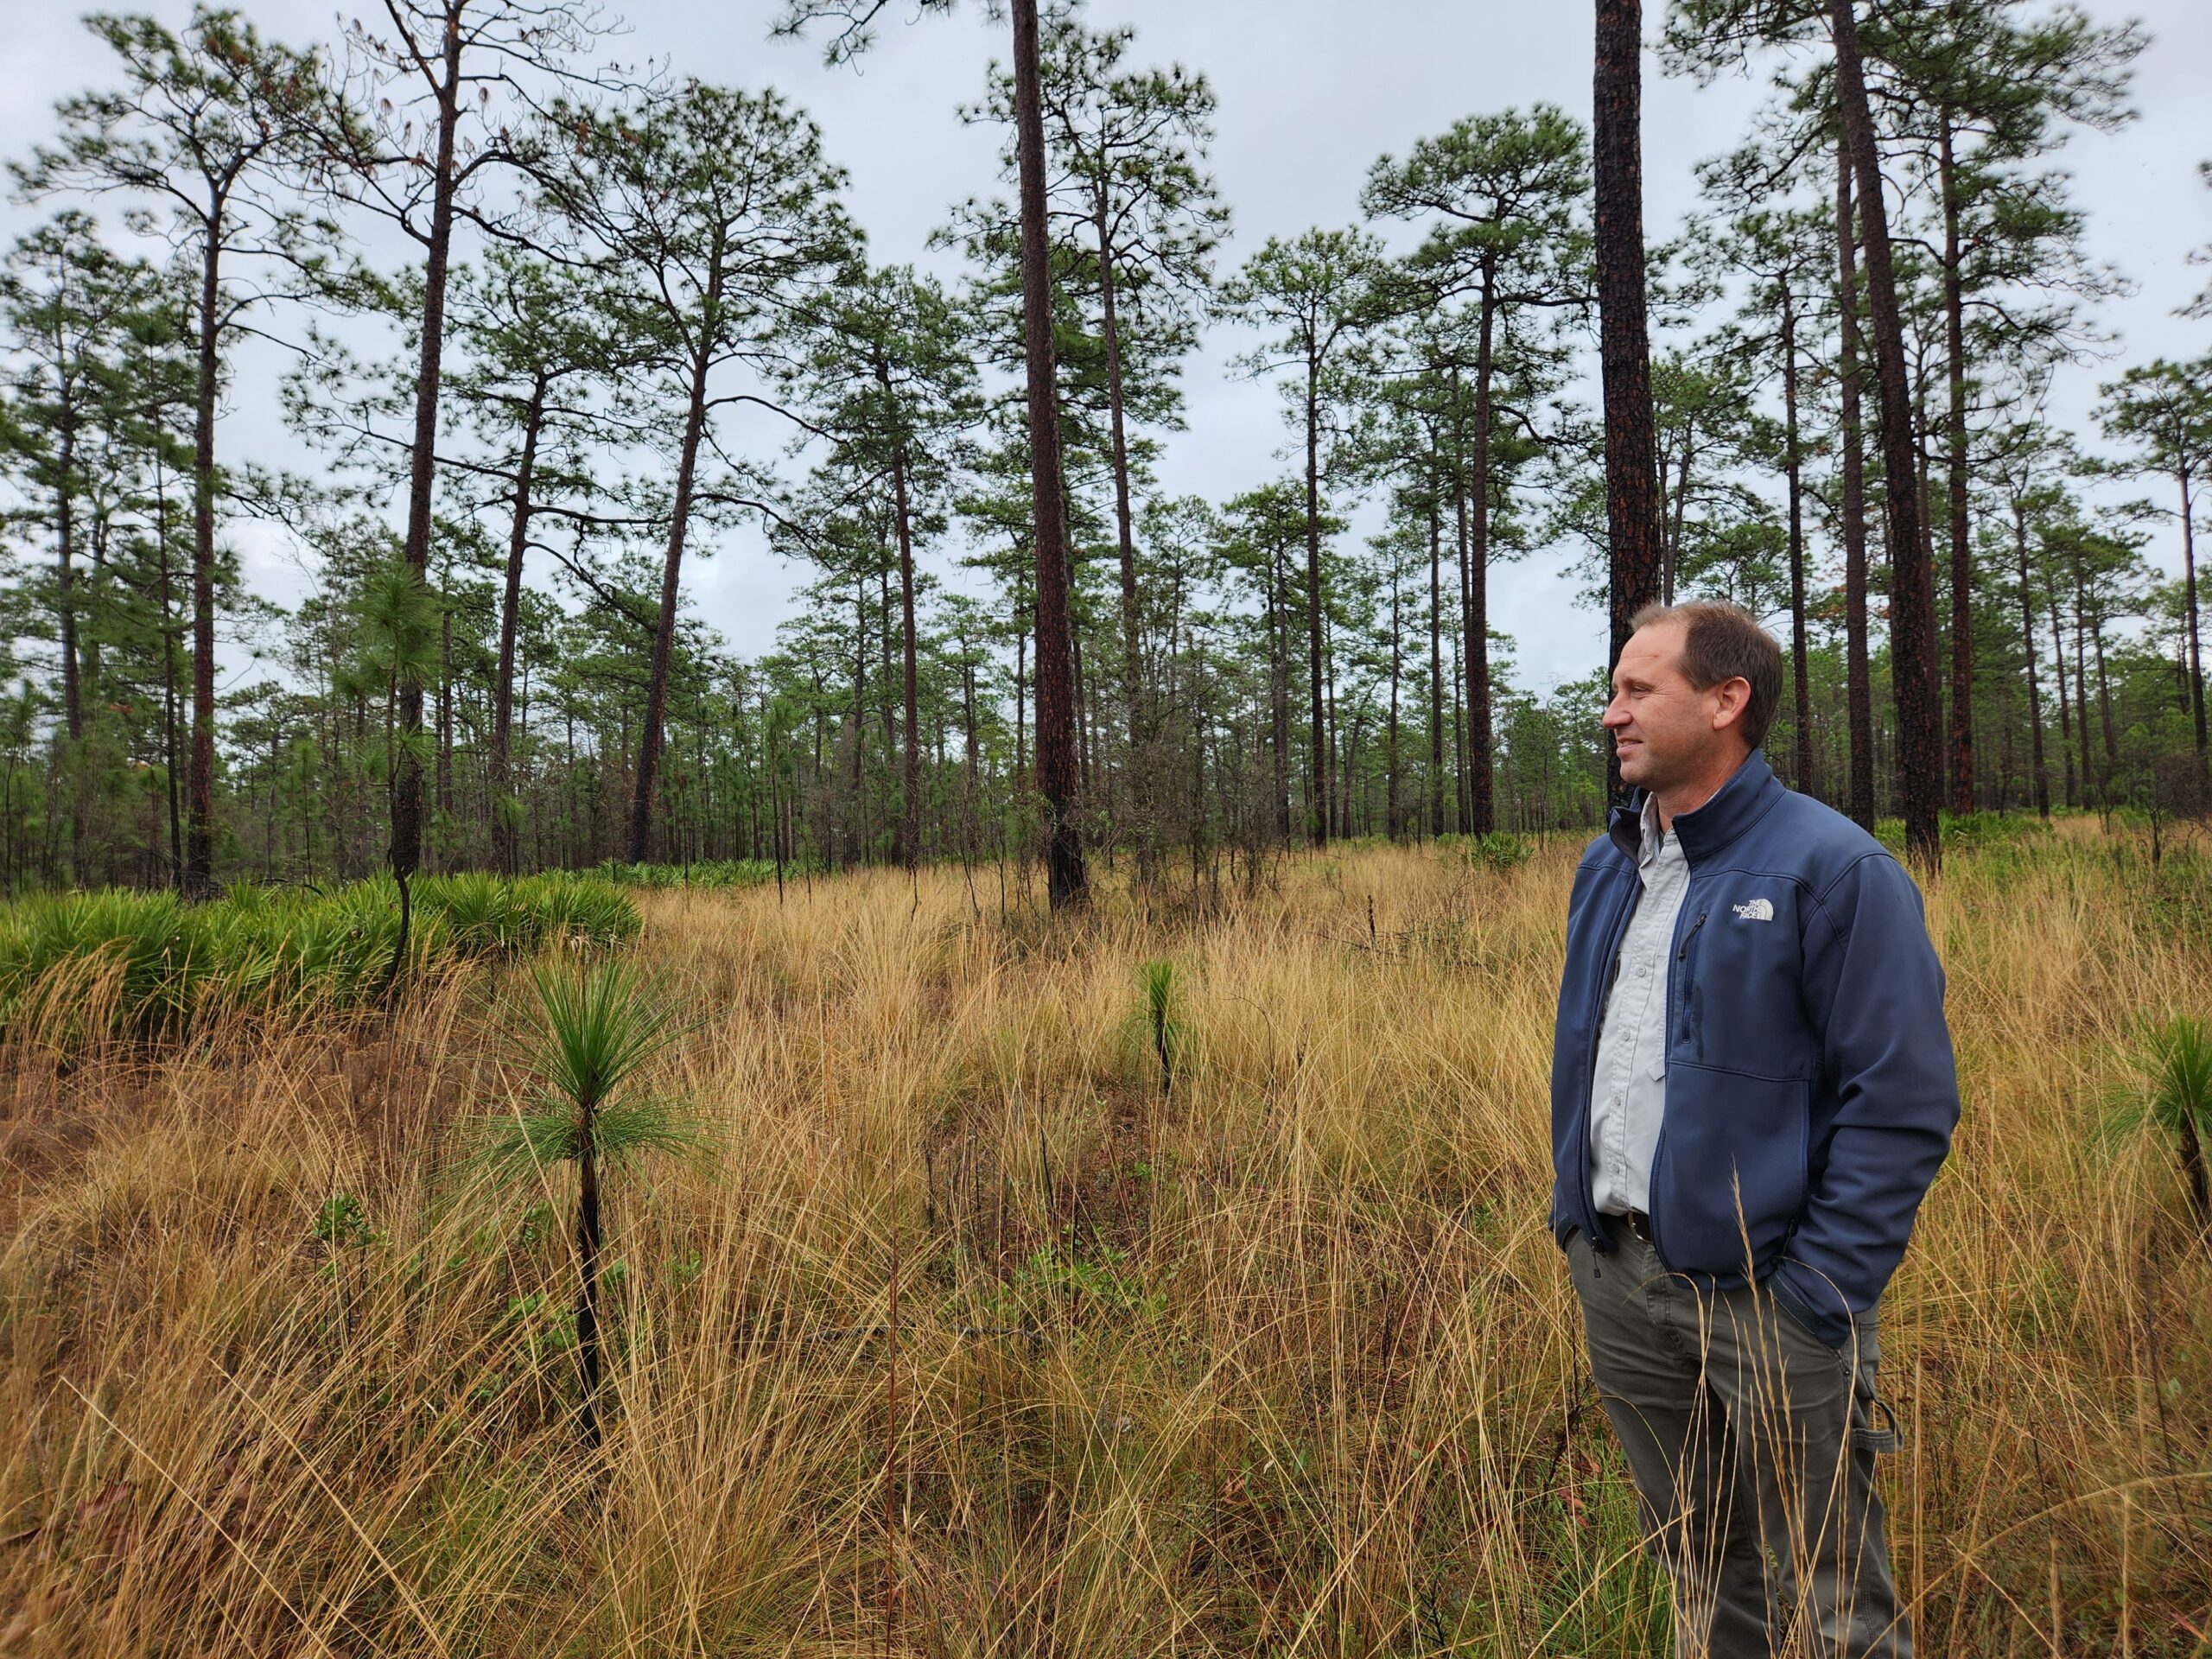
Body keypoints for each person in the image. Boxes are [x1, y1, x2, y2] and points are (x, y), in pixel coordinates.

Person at [1548, 601, 1959, 1658]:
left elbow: (1903, 1099)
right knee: (1694, 1564)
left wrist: (1818, 1288)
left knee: (1835, 1601)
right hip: (1623, 1282)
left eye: (1639, 690)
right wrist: (1578, 1228)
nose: (1612, 714)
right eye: (1615, 691)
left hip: (1771, 1297)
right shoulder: (1612, 867)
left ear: (1726, 701)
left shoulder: (1833, 870)